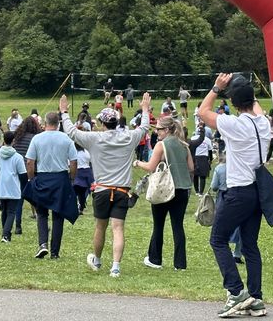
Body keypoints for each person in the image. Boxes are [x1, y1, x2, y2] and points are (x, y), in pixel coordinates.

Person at [198, 73, 272, 318]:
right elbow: (255, 107)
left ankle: (236, 292)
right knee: (250, 245)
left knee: (218, 239)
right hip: (258, 192)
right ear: (252, 99)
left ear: (234, 103)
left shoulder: (233, 123)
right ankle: (256, 299)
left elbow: (202, 111)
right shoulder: (263, 122)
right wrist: (242, 85)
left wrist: (217, 88)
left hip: (239, 191)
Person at [62, 95, 149, 278]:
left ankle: (98, 260)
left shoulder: (95, 139)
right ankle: (115, 267)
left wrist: (64, 112)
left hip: (101, 190)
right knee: (118, 228)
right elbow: (144, 128)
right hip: (122, 191)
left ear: (102, 122)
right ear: (117, 122)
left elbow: (72, 132)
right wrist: (145, 108)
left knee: (100, 227)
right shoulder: (129, 137)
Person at [134, 115, 194, 271]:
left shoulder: (161, 145)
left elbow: (150, 167)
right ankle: (180, 264)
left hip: (165, 189)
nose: (156, 132)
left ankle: (155, 259)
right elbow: (191, 167)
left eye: (159, 129)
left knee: (158, 225)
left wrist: (137, 162)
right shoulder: (183, 144)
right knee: (178, 226)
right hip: (182, 189)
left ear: (167, 130)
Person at [24, 111, 78, 260]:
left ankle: (43, 244)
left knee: (41, 213)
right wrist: (72, 179)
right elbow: (73, 162)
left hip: (42, 177)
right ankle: (55, 252)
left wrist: (31, 179)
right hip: (60, 178)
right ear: (59, 123)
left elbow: (30, 161)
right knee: (58, 215)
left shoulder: (37, 138)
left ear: (45, 123)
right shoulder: (66, 138)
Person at [211, 153, 243, 264]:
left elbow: (214, 186)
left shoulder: (219, 168)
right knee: (240, 226)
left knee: (221, 226)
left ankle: (225, 252)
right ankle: (237, 254)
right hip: (238, 196)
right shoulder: (239, 168)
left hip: (223, 197)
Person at [0, 131, 26, 242]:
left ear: (4, 140)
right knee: (11, 212)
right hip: (13, 186)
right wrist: (23, 186)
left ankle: (5, 232)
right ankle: (6, 234)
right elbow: (23, 174)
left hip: (1, 185)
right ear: (13, 141)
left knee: (4, 210)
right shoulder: (17, 157)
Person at [12, 116, 40, 235]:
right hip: (31, 170)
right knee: (36, 198)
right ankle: (41, 221)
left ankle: (18, 225)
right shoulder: (35, 138)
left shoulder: (17, 139)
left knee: (19, 200)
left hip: (18, 171)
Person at [189, 123, 213, 196]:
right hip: (203, 158)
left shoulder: (192, 138)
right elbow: (210, 150)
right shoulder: (207, 140)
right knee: (202, 176)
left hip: (195, 157)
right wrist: (210, 159)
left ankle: (196, 191)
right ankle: (200, 192)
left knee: (195, 175)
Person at [72, 143, 93, 214]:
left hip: (77, 172)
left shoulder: (73, 152)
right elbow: (90, 161)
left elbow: (70, 163)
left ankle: (76, 207)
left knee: (74, 191)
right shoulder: (86, 152)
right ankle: (81, 207)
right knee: (83, 192)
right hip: (86, 172)